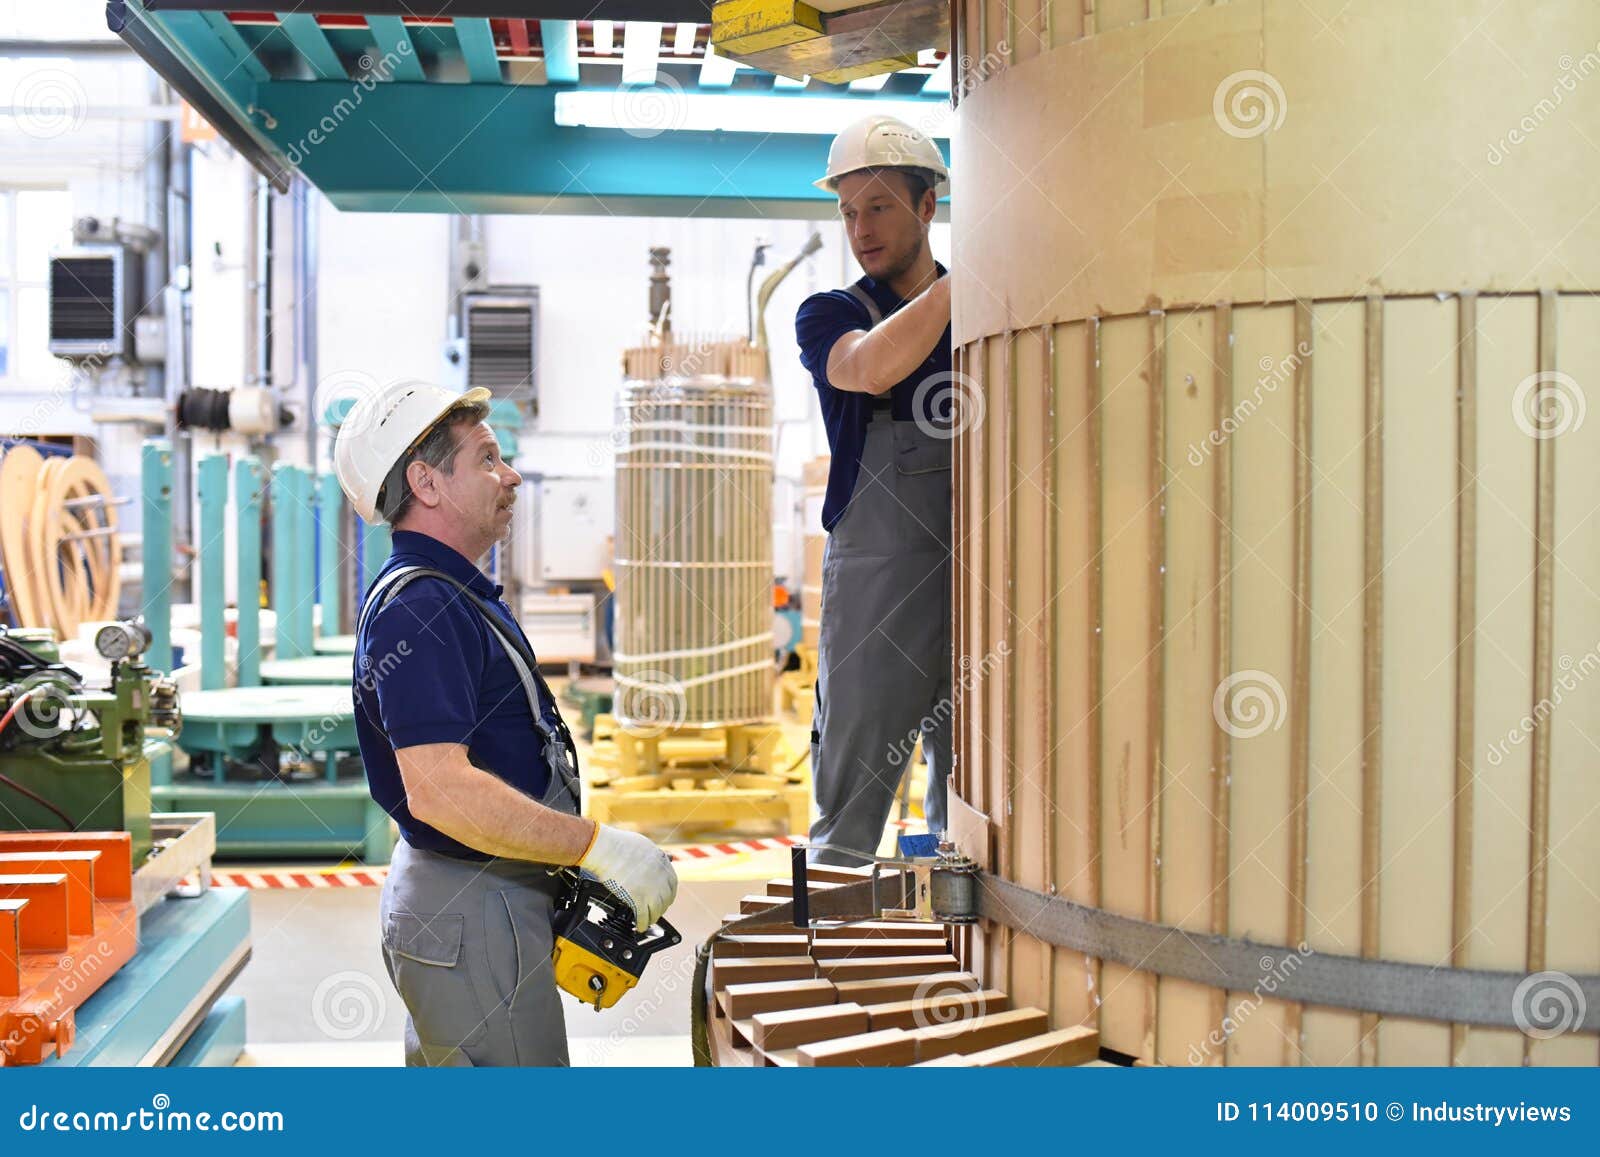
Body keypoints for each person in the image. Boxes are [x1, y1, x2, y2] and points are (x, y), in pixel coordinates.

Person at [333, 381, 678, 1065]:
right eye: (488, 458)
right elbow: (441, 790)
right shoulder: (422, 609)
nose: (511, 475)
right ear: (426, 482)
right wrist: (594, 846)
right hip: (471, 904)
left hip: (487, 900)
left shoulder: (452, 593)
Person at [794, 116, 954, 867]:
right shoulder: (832, 312)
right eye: (848, 211)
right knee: (851, 809)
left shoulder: (988, 310)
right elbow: (871, 368)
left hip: (979, 581)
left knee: (968, 802)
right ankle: (824, 961)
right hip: (878, 584)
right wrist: (974, 281)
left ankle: (953, 964)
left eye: (881, 206)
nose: (860, 228)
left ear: (927, 208)